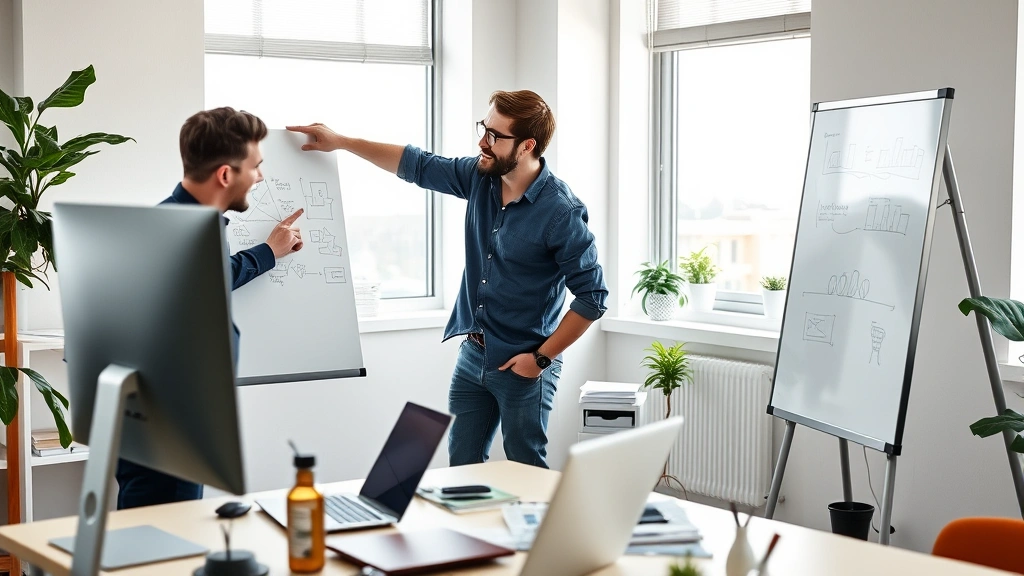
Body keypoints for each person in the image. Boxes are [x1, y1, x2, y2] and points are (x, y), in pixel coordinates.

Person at [288, 90, 607, 468]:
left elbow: (592, 297)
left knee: (527, 471)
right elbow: (417, 164)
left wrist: (540, 359)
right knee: (462, 471)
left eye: (494, 136)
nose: (481, 142)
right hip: (473, 355)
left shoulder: (561, 212)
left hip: (524, 367)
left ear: (527, 146)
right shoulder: (479, 177)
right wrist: (342, 142)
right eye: (483, 128)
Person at [115, 107, 305, 509]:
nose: (261, 176)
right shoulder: (183, 234)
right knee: (160, 555)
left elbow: (212, 280)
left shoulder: (179, 225)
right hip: (174, 435)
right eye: (256, 166)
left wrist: (268, 252)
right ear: (225, 175)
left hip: (162, 430)